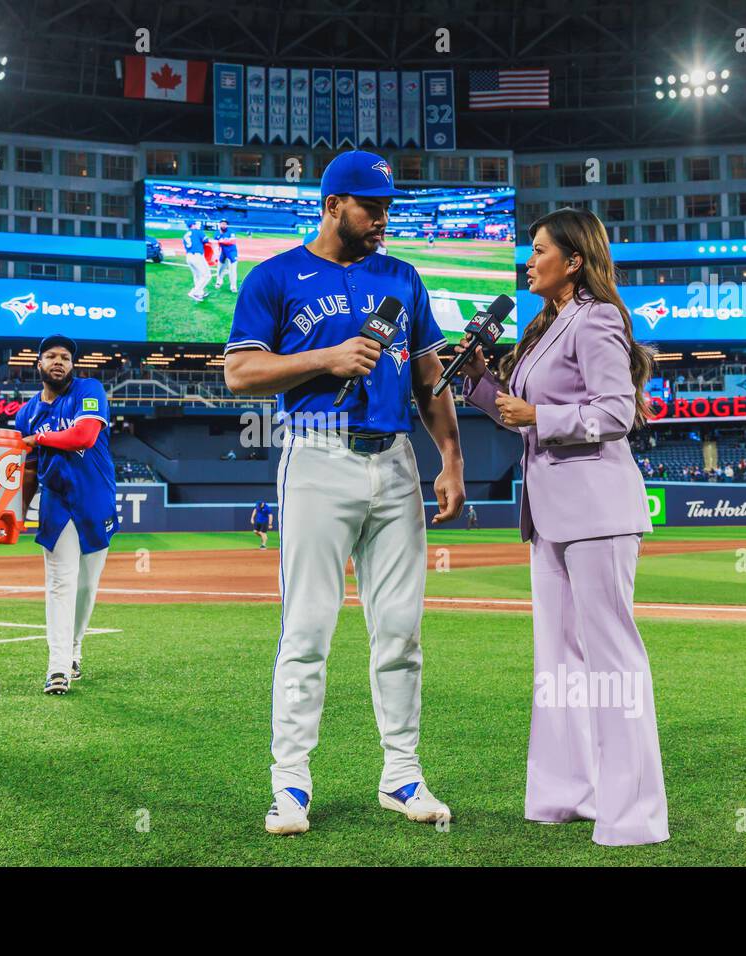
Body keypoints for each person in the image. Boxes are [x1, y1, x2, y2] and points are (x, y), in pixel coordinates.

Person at [225, 149, 465, 836]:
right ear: (332, 205)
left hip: (395, 459)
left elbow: (428, 376)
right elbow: (240, 373)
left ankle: (402, 775)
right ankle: (291, 786)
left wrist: (449, 457)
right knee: (307, 630)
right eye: (370, 207)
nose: (381, 219)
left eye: (387, 207)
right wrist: (325, 359)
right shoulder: (275, 277)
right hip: (317, 452)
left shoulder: (402, 277)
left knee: (400, 629)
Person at [456, 206, 669, 846]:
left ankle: (633, 815)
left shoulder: (598, 318)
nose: (529, 259)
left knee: (613, 661)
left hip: (598, 511)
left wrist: (541, 415)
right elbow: (521, 413)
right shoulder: (548, 325)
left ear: (573, 261)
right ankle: (564, 795)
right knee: (557, 660)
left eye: (540, 249)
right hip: (550, 516)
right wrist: (477, 382)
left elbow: (616, 411)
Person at [17, 334, 120, 695]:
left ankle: (75, 650)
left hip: (95, 498)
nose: (59, 361)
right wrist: (17, 512)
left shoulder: (89, 390)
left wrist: (40, 440)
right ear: (39, 364)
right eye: (51, 356)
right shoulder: (26, 413)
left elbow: (85, 436)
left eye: (65, 357)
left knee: (87, 586)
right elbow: (29, 469)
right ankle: (57, 666)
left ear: (72, 365)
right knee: (61, 584)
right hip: (56, 502)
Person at [182, 219, 212, 302]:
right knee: (207, 275)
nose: (197, 225)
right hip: (197, 256)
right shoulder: (197, 232)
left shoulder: (185, 234)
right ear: (193, 225)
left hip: (188, 256)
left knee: (197, 275)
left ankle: (199, 293)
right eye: (195, 224)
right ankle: (193, 292)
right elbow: (206, 240)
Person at [213, 218, 240, 292]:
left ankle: (233, 286)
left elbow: (232, 241)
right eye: (222, 223)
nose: (224, 225)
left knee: (233, 270)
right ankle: (219, 282)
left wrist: (223, 241)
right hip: (223, 252)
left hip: (232, 252)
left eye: (225, 224)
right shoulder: (217, 233)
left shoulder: (231, 232)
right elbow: (217, 244)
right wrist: (216, 254)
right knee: (220, 268)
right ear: (220, 224)